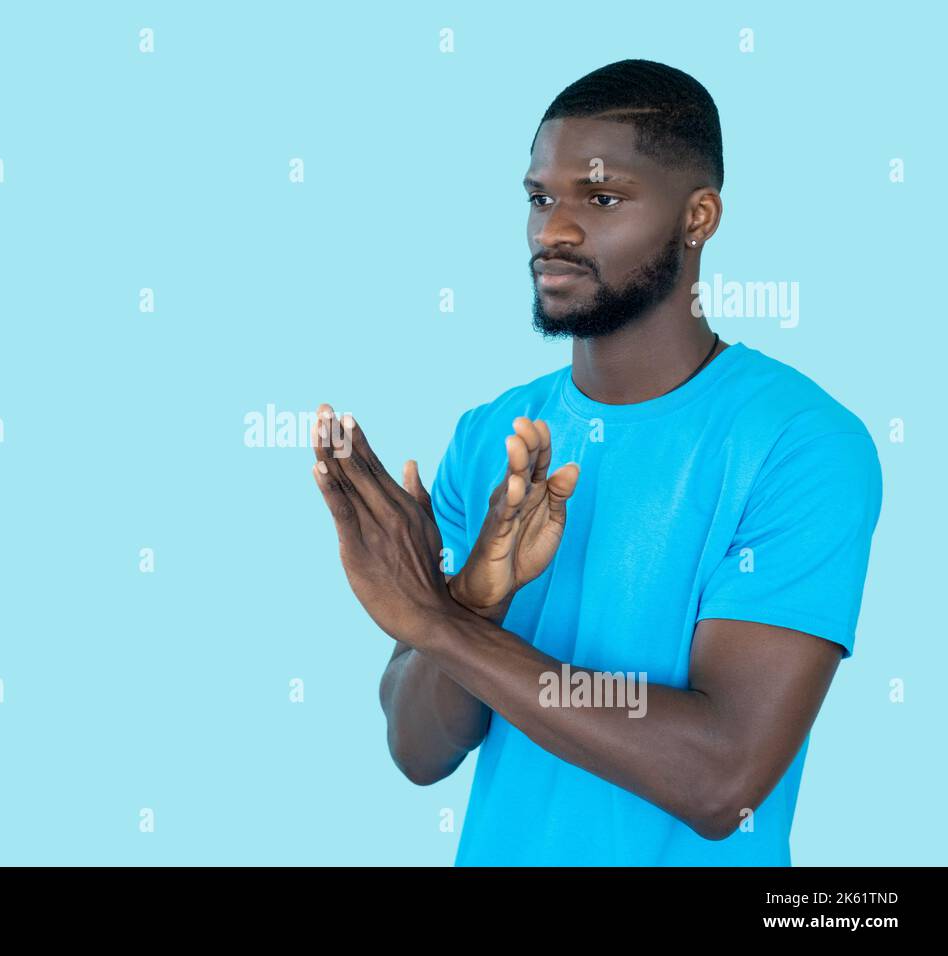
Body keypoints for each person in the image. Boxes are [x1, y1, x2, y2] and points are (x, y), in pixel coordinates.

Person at [310, 59, 882, 865]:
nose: (554, 231)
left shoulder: (803, 444)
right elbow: (418, 752)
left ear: (699, 217)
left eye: (600, 198)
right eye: (540, 198)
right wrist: (473, 601)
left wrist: (441, 623)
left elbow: (724, 779)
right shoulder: (490, 436)